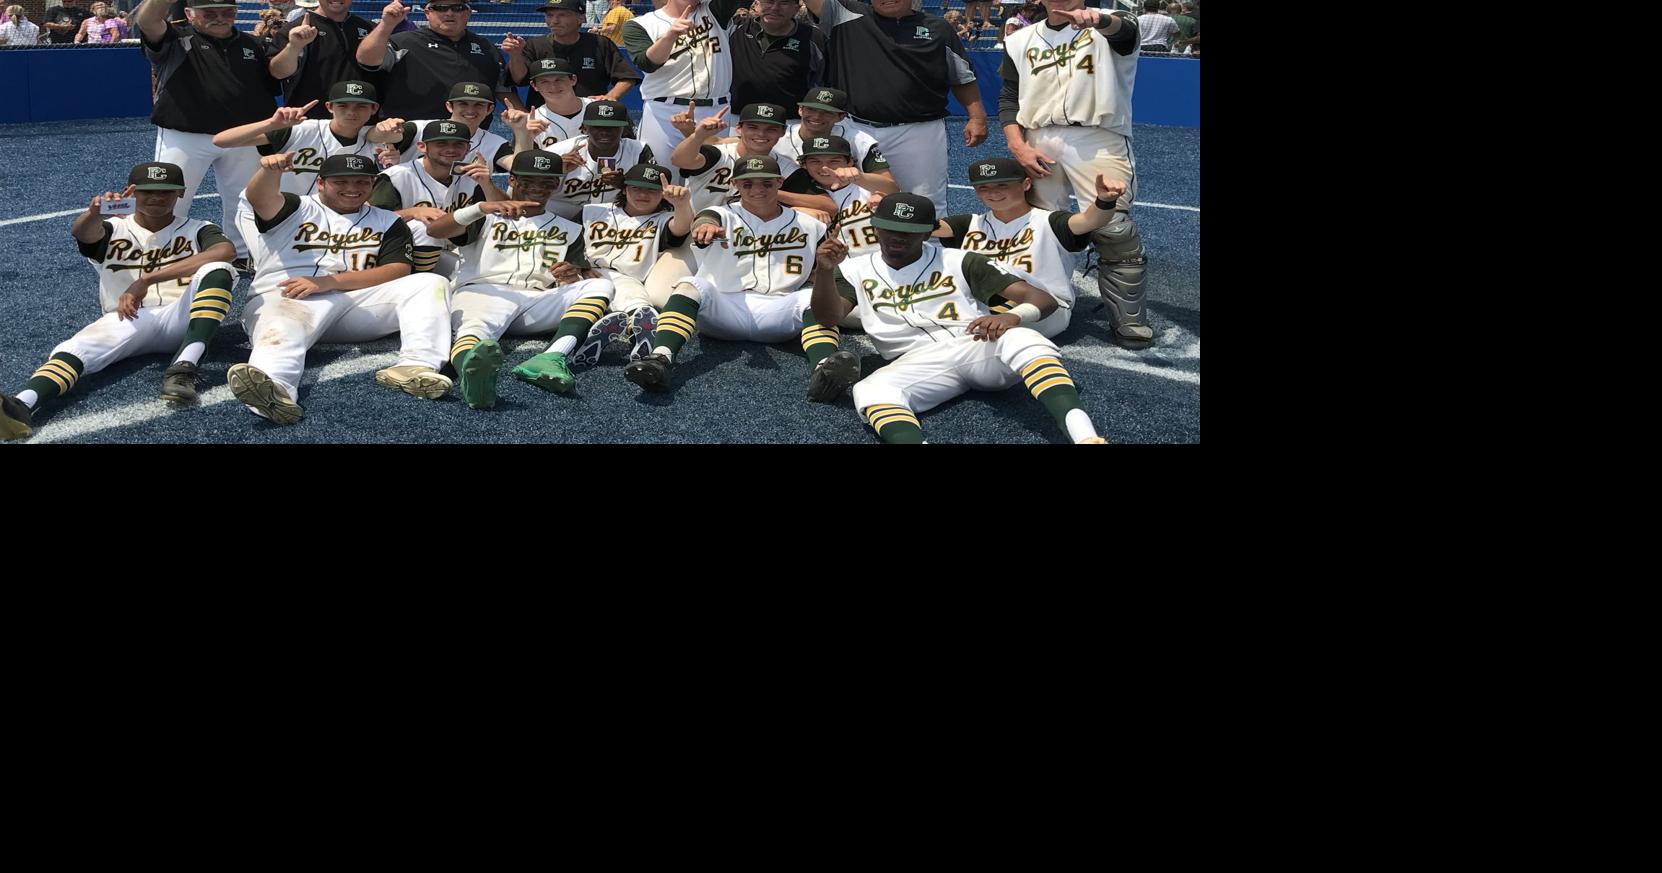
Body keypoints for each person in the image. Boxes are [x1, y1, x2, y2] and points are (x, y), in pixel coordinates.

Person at [809, 193, 1109, 444]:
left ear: (928, 233)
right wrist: (823, 270)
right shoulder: (853, 269)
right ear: (876, 227)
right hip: (913, 362)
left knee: (1024, 338)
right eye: (888, 228)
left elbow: (1042, 299)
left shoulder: (960, 260)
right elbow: (827, 316)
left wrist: (1013, 318)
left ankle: (1085, 436)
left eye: (909, 231)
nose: (897, 237)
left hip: (976, 346)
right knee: (869, 390)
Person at [1, 162, 237, 441]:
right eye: (148, 191)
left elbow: (226, 250)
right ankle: (22, 404)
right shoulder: (111, 227)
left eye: (166, 191)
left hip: (183, 316)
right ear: (132, 192)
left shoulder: (198, 228)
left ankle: (184, 367)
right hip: (128, 318)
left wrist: (146, 280)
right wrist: (94, 213)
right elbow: (83, 233)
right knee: (78, 347)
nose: (157, 198)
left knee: (220, 269)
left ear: (181, 193)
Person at [231, 152, 451, 424]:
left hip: (355, 308)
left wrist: (328, 282)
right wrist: (269, 171)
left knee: (431, 283)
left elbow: (398, 270)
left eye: (361, 182)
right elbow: (259, 197)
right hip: (289, 297)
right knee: (280, 329)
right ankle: (276, 392)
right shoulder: (294, 207)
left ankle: (416, 365)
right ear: (321, 182)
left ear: (372, 185)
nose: (352, 189)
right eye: (342, 182)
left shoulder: (387, 220)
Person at [623, 155, 846, 400]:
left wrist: (828, 267)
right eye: (748, 184)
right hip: (723, 311)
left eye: (766, 183)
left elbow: (831, 272)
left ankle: (825, 370)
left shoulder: (810, 225)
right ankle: (660, 358)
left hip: (779, 312)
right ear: (734, 184)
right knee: (691, 285)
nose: (757, 189)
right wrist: (704, 228)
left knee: (810, 298)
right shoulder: (720, 214)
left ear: (780, 182)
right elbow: (705, 220)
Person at [415, 150, 623, 407]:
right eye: (528, 181)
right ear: (512, 181)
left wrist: (569, 274)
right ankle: (471, 376)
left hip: (535, 302)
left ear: (556, 184)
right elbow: (434, 230)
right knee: (475, 333)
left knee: (601, 284)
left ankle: (551, 357)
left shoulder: (570, 228)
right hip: (484, 292)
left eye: (546, 182)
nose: (537, 187)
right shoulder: (485, 216)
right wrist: (480, 208)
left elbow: (574, 272)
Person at [1000, 0, 1151, 348]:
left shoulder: (1111, 25)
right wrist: (1017, 145)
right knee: (1038, 226)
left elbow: (1124, 31)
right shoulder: (1020, 39)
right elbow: (1009, 97)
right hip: (1038, 137)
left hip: (1097, 135)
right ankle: (1041, 307)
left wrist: (1097, 19)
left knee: (1112, 226)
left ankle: (1129, 321)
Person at [800, 0, 989, 213]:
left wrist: (977, 117)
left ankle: (931, 246)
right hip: (855, 128)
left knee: (925, 203)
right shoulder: (845, 13)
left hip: (919, 132)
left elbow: (961, 76)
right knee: (855, 203)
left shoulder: (938, 28)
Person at [136, 0, 280, 266]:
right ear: (189, 15)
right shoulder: (176, 40)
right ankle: (160, 254)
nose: (219, 17)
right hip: (186, 135)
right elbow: (146, 22)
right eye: (209, 12)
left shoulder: (252, 44)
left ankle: (242, 254)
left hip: (242, 135)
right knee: (170, 197)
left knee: (243, 199)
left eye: (226, 11)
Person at [931, 157, 1125, 338]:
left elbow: (1089, 220)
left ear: (1025, 184)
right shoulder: (968, 224)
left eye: (1003, 185)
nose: (993, 193)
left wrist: (1105, 200)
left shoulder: (1050, 221)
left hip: (1044, 309)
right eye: (983, 187)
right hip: (982, 306)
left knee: (972, 331)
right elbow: (923, 227)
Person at [575, 163, 695, 366]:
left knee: (640, 305)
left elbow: (681, 228)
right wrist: (579, 265)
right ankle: (612, 330)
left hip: (626, 279)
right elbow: (567, 241)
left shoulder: (663, 219)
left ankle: (633, 334)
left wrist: (682, 204)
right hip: (584, 273)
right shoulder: (592, 211)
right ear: (624, 188)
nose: (643, 194)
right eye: (636, 188)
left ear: (663, 194)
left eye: (652, 189)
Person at [212, 80, 401, 198]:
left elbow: (396, 138)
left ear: (374, 109)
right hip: (278, 211)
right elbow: (222, 140)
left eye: (361, 106)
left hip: (333, 219)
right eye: (343, 105)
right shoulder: (301, 130)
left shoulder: (376, 139)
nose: (351, 112)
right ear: (329, 107)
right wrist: (271, 124)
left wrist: (393, 161)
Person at [620, 0, 751, 168]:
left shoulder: (716, 11)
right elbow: (647, 64)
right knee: (660, 178)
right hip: (665, 112)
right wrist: (669, 36)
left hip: (716, 111)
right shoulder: (640, 24)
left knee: (709, 178)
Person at [368, 119, 506, 275]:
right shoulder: (396, 177)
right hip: (403, 254)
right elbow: (370, 221)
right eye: (441, 144)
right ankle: (416, 282)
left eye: (458, 144)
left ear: (468, 148)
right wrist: (410, 212)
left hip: (454, 251)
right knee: (423, 227)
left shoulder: (472, 176)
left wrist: (487, 184)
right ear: (422, 147)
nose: (450, 149)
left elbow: (507, 213)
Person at [355, 1, 519, 124]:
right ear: (427, 13)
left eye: (457, 8)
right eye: (440, 8)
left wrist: (523, 116)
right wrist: (386, 25)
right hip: (409, 138)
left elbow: (503, 91)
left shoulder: (486, 47)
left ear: (468, 13)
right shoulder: (404, 42)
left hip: (468, 140)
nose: (449, 13)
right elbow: (367, 59)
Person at [667, 103, 832, 216]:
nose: (761, 134)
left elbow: (829, 206)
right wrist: (698, 136)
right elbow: (680, 160)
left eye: (770, 129)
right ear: (738, 128)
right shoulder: (719, 154)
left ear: (782, 132)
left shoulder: (784, 167)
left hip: (750, 240)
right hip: (697, 232)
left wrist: (774, 193)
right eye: (753, 127)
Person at [504, 0, 640, 111]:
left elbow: (627, 77)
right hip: (546, 118)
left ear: (580, 18)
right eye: (550, 15)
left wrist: (611, 97)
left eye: (562, 15)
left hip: (591, 117)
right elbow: (519, 80)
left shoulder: (599, 43)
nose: (554, 21)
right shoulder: (535, 44)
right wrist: (515, 56)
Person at [267, 0, 382, 121]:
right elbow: (277, 73)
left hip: (361, 122)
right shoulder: (296, 28)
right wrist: (294, 46)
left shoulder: (369, 28)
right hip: (310, 121)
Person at [542, 100, 655, 219]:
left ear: (624, 129)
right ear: (584, 128)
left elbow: (656, 192)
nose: (605, 132)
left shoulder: (639, 151)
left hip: (612, 219)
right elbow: (525, 189)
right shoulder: (556, 153)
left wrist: (626, 185)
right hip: (558, 217)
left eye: (612, 127)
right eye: (597, 127)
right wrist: (554, 170)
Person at [374, 81, 517, 170]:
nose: (470, 110)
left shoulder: (494, 143)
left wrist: (522, 132)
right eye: (463, 103)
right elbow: (381, 137)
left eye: (479, 105)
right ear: (449, 106)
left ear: (490, 109)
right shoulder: (419, 129)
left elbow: (517, 167)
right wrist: (384, 129)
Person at [727, 0, 827, 123]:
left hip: (789, 123)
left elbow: (822, 82)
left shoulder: (813, 38)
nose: (775, 8)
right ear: (758, 4)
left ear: (797, 8)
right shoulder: (736, 28)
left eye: (784, 3)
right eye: (769, 1)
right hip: (735, 118)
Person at [772, 87, 892, 188]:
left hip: (848, 202)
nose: (817, 116)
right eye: (811, 109)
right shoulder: (776, 137)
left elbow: (890, 185)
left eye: (827, 112)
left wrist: (859, 177)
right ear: (800, 110)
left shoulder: (857, 140)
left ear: (841, 117)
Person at [522, 57, 594, 150]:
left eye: (559, 79)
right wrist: (525, 137)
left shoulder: (598, 108)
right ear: (534, 86)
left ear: (573, 80)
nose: (553, 86)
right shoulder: (532, 122)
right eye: (544, 81)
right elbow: (524, 161)